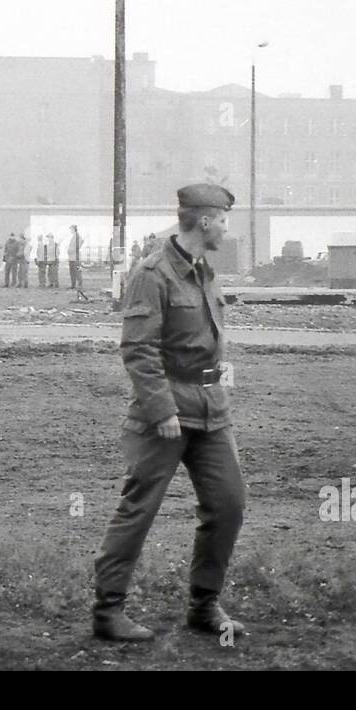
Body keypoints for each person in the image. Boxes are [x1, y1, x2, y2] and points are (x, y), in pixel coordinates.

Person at [91, 184, 246, 641]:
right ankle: (108, 609)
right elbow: (138, 348)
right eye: (221, 219)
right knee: (139, 509)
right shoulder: (152, 273)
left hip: (211, 410)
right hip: (166, 412)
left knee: (229, 504)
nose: (224, 227)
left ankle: (204, 604)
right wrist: (161, 409)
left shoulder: (204, 272)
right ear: (203, 221)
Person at [67, 225, 83, 289]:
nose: (70, 230)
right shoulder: (73, 237)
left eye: (71, 229)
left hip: (76, 258)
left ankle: (80, 285)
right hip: (72, 258)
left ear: (74, 229)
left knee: (77, 272)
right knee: (72, 272)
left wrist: (71, 250)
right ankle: (73, 285)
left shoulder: (77, 237)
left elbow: (78, 246)